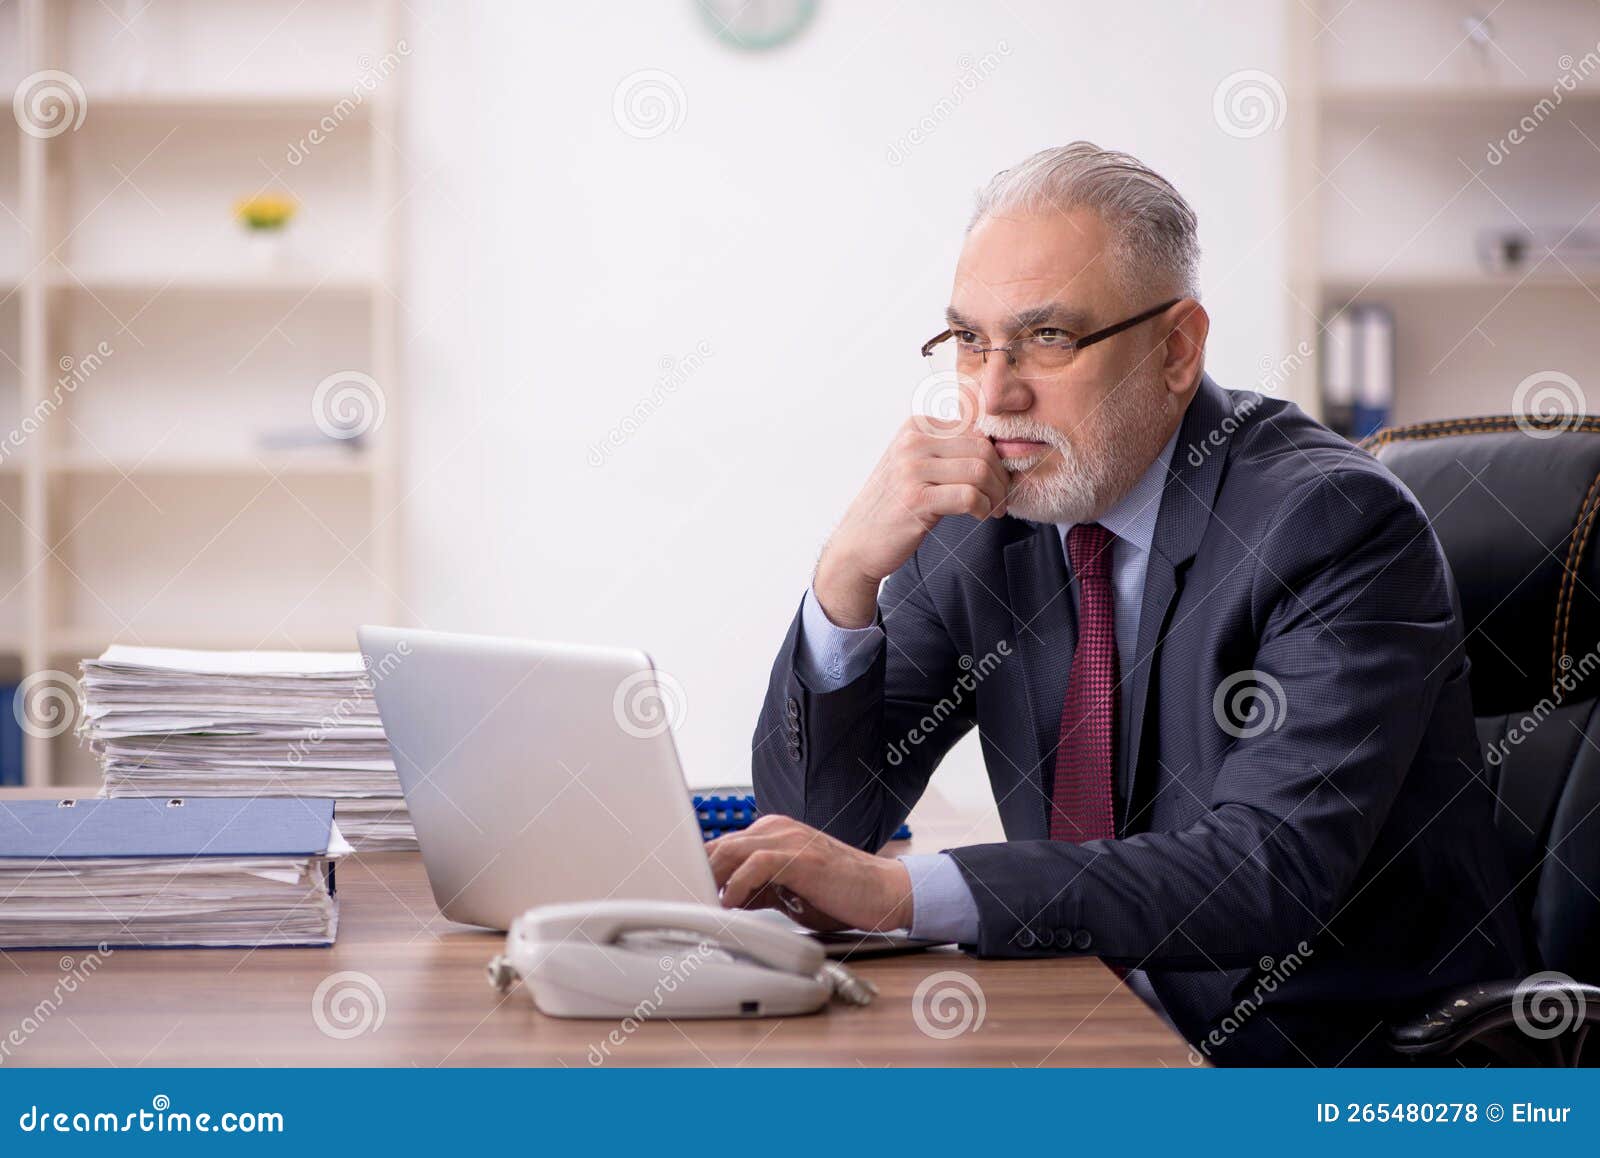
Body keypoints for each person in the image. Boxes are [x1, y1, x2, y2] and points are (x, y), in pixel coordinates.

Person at [707, 142, 1525, 1065]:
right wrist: (846, 578)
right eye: (970, 340)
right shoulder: (985, 519)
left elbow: (1266, 873)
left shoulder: (1330, 523)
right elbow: (824, 825)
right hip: (1090, 1021)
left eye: (1048, 338)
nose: (994, 395)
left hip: (1330, 1060)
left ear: (1176, 349)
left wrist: (903, 896)